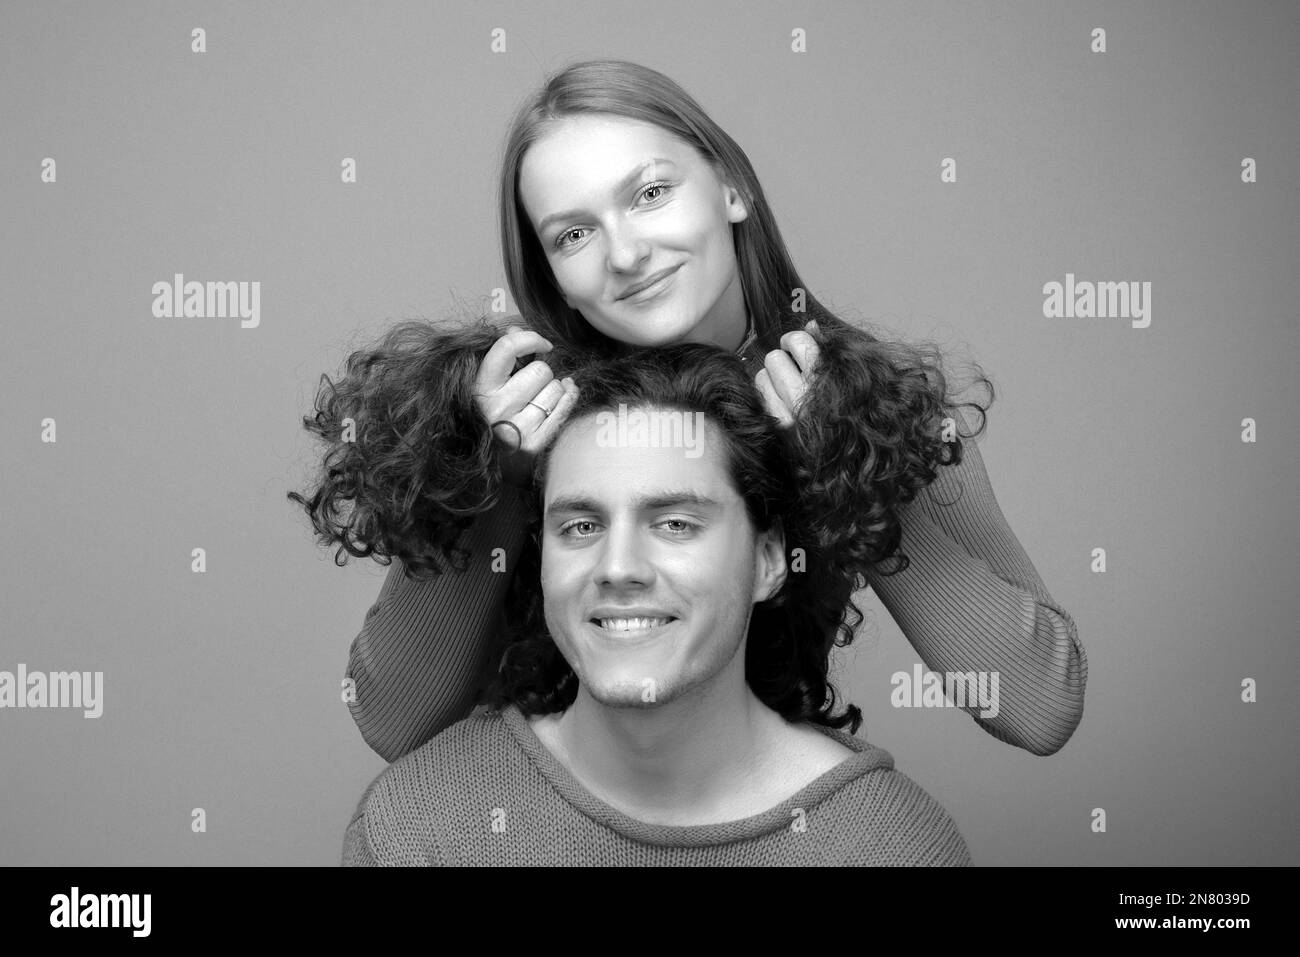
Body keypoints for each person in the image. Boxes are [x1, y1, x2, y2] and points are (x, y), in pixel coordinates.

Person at [291, 58, 1086, 764]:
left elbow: (1038, 705)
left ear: (731, 187)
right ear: (550, 274)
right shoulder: (513, 409)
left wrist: (851, 473)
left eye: (650, 192)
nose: (626, 253)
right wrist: (495, 480)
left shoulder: (873, 405)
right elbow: (390, 722)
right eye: (574, 233)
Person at [341, 343, 971, 866]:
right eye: (581, 527)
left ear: (769, 559)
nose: (617, 569)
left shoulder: (897, 847)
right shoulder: (414, 832)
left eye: (674, 524)